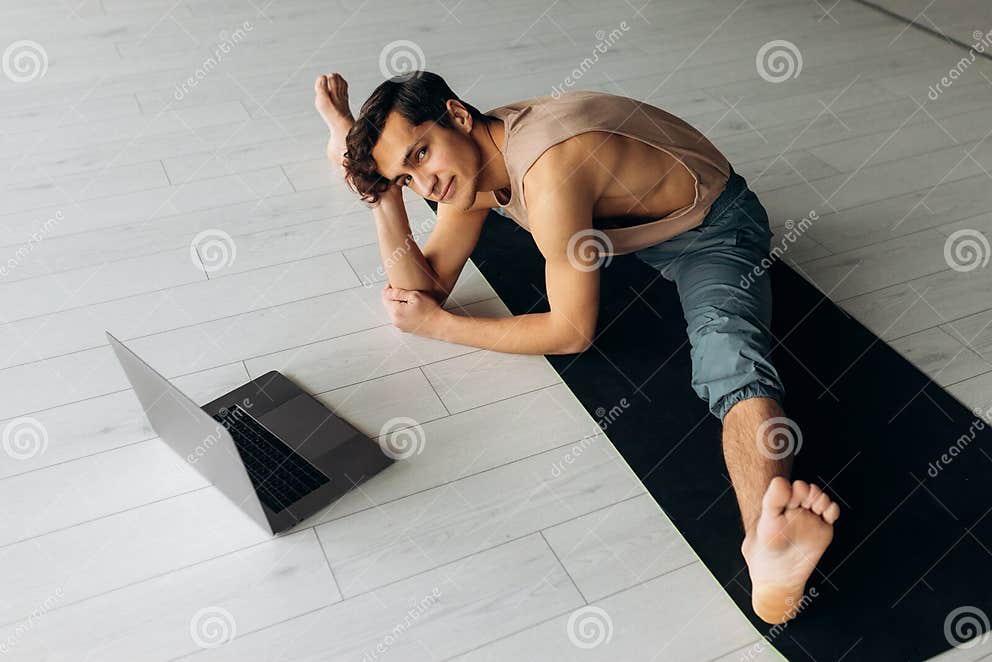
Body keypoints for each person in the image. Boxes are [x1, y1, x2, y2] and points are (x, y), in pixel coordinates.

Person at [314, 69, 840, 625]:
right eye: (406, 178)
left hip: (710, 227)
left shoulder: (549, 170)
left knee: (729, 359)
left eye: (420, 154)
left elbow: (571, 332)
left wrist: (441, 327)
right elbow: (422, 289)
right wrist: (377, 191)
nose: (425, 185)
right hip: (624, 218)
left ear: (458, 116)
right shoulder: (468, 163)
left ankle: (768, 545)